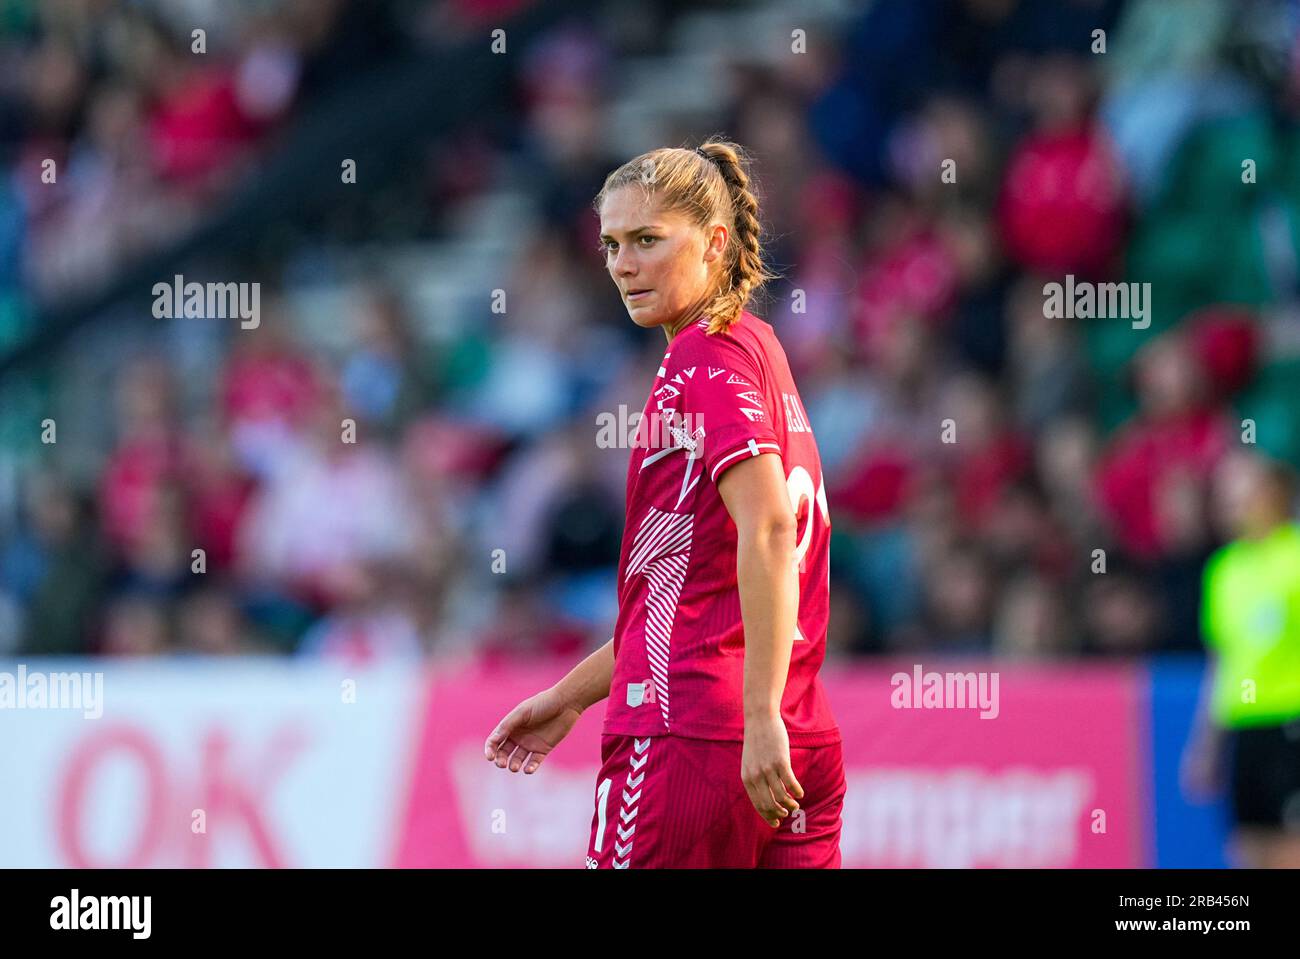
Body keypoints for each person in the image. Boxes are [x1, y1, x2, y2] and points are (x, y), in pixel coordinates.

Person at [483, 139, 844, 868]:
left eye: (648, 240)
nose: (623, 263)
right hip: (795, 737)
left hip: (696, 736)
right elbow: (686, 600)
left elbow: (771, 528)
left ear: (714, 243)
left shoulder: (701, 363)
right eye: (613, 243)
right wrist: (573, 695)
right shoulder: (757, 348)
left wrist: (758, 713)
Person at [1181, 450, 1300, 867]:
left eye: (1241, 493)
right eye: (1224, 496)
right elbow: (1223, 663)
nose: (1231, 505)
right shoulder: (1224, 571)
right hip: (1243, 728)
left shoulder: (1295, 557)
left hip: (1290, 721)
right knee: (1246, 848)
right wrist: (1205, 745)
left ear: (1272, 493)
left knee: (1291, 849)